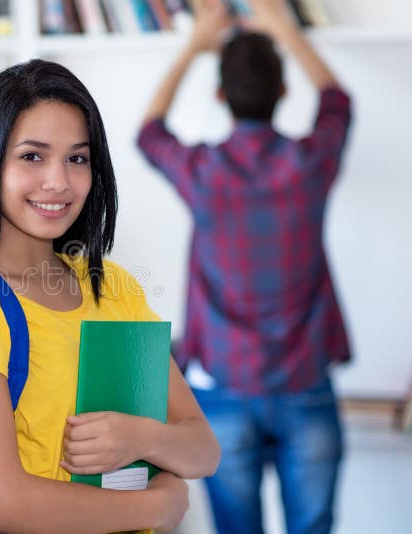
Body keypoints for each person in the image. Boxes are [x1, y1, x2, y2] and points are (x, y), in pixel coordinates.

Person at [0, 59, 220, 533]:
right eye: (32, 156)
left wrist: (140, 437)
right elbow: (2, 502)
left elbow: (204, 449)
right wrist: (156, 506)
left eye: (77, 158)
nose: (59, 182)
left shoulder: (113, 286)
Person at [137, 1, 352, 533]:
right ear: (283, 92)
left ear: (220, 95)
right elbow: (337, 101)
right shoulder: (310, 163)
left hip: (223, 385)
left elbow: (149, 132)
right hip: (306, 382)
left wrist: (193, 45)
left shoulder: (204, 171)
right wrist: (282, 24)